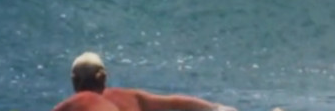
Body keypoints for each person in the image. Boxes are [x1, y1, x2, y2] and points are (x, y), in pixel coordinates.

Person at [51, 52, 238, 111]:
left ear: (74, 81)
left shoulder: (71, 106)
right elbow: (174, 103)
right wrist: (216, 108)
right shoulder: (130, 98)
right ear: (104, 77)